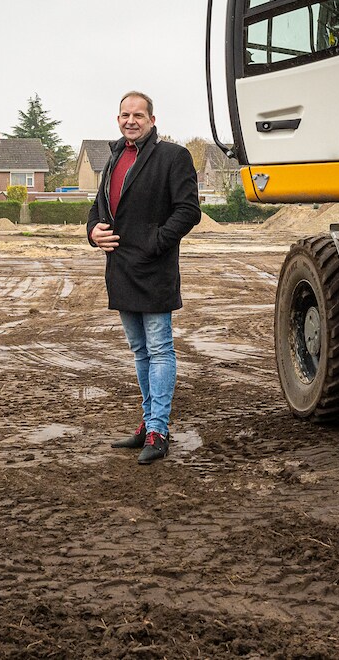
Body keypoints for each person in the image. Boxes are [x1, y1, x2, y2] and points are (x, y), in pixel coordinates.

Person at [88, 91, 201, 464]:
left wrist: (156, 242)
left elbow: (188, 211)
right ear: (117, 118)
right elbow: (97, 209)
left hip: (154, 269)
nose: (130, 120)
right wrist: (93, 233)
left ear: (152, 120)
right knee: (140, 351)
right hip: (120, 268)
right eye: (124, 114)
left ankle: (158, 429)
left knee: (159, 349)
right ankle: (148, 421)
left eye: (138, 115)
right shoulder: (113, 157)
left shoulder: (173, 156)